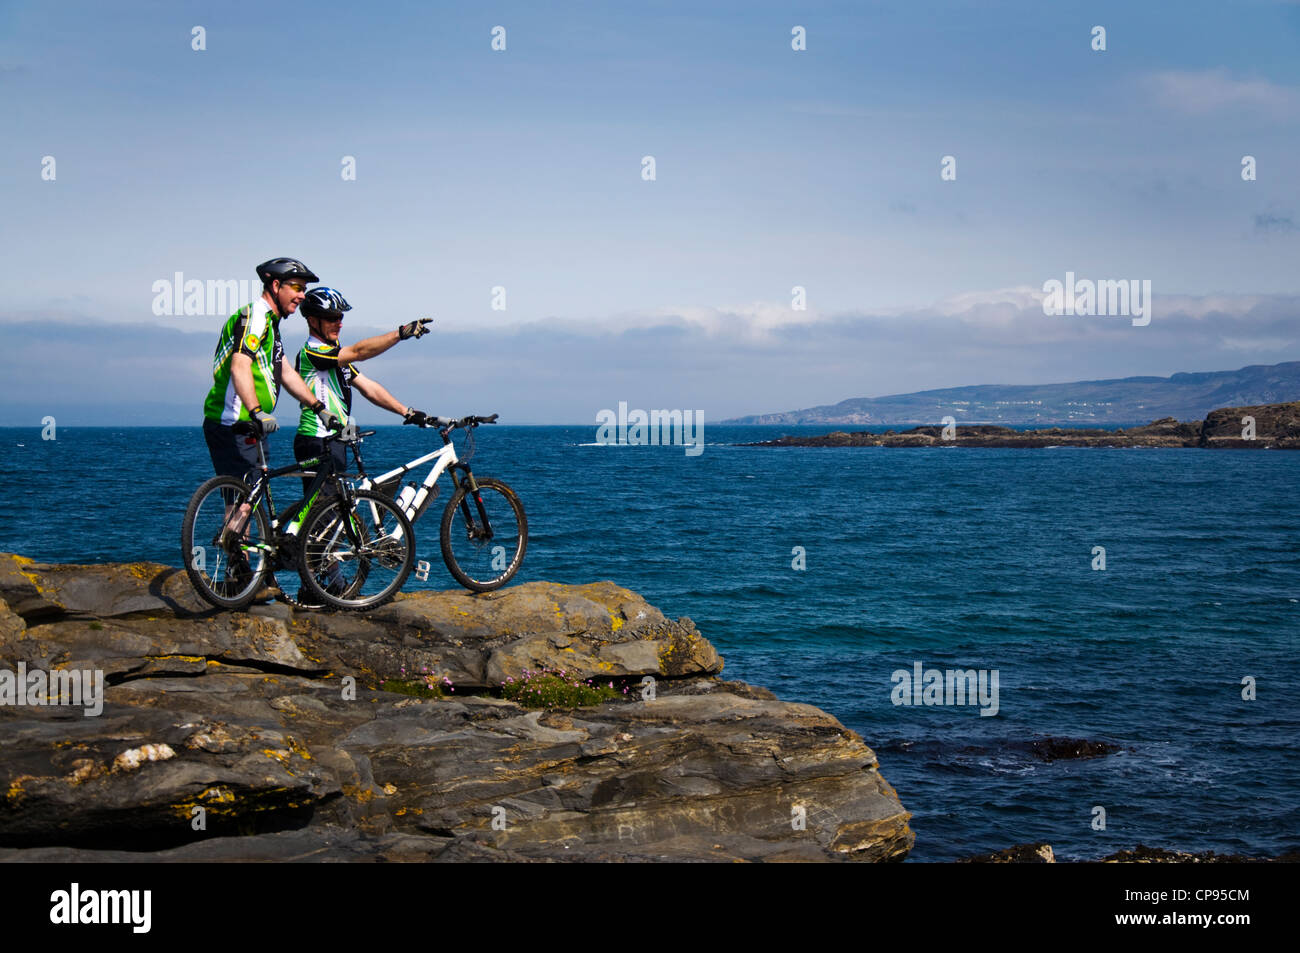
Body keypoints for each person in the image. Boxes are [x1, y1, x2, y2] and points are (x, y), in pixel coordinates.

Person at [201, 257, 339, 592]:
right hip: (237, 421)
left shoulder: (271, 325)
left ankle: (247, 576)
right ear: (274, 286)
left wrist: (318, 407)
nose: (300, 296)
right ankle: (243, 575)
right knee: (244, 500)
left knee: (246, 498)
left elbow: (284, 373)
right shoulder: (257, 317)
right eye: (295, 288)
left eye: (303, 290)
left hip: (242, 422)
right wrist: (256, 411)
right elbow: (239, 364)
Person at [293, 286, 431, 493]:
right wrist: (400, 333)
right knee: (325, 515)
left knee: (336, 513)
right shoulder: (313, 353)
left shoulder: (334, 358)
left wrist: (407, 412)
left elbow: (369, 388)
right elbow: (359, 352)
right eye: (331, 318)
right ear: (313, 321)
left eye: (340, 318)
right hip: (317, 439)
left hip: (333, 440)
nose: (338, 324)